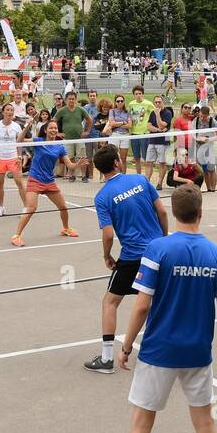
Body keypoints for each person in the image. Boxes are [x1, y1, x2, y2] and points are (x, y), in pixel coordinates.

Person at [104, 184, 217, 433]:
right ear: (201, 212)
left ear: (173, 213)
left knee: (142, 423)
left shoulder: (157, 250)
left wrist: (125, 345)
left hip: (158, 352)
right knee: (205, 423)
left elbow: (143, 304)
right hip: (197, 354)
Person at [86, 145, 169, 375]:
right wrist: (163, 241)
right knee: (159, 300)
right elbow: (162, 212)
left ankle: (106, 359)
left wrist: (106, 255)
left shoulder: (102, 197)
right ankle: (164, 350)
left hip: (132, 258)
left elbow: (108, 234)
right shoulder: (141, 180)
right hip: (158, 253)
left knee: (110, 302)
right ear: (116, 163)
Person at [11, 119, 79, 246]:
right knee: (31, 208)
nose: (54, 130)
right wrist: (27, 126)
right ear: (46, 130)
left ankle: (66, 228)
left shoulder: (59, 146)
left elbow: (69, 164)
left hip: (49, 181)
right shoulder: (38, 141)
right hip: (35, 179)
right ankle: (16, 235)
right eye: (51, 128)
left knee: (63, 207)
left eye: (56, 128)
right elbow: (19, 141)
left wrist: (77, 164)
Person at [0, 102, 26, 216]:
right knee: (0, 183)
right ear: (3, 112)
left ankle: (26, 207)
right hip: (0, 158)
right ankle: (1, 207)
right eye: (8, 110)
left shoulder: (16, 126)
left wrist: (19, 156)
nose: (10, 112)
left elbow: (19, 143)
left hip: (13, 158)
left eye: (12, 110)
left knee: (19, 182)